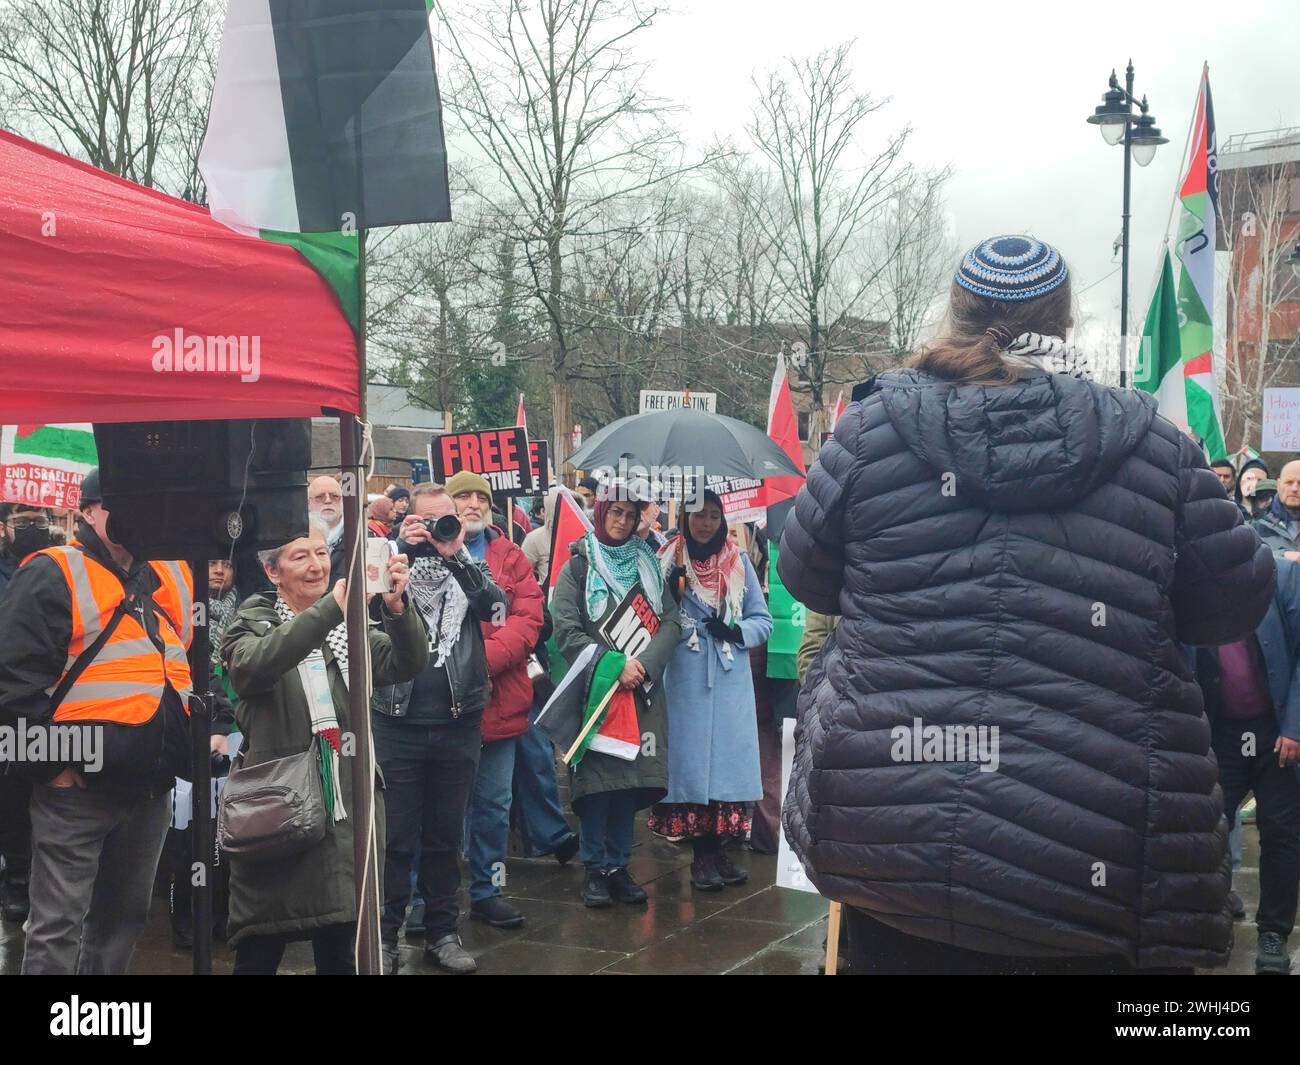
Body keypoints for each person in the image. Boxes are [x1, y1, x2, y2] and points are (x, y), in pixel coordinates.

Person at [779, 234, 1276, 975]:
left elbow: (806, 572)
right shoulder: (1153, 448)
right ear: (1065, 324)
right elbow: (1238, 599)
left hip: (891, 828)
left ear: (957, 317)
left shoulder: (871, 433)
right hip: (1093, 849)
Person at [0, 469, 196, 974]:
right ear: (87, 511)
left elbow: (179, 666)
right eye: (120, 502)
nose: (138, 514)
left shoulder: (171, 572)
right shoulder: (51, 570)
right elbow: (11, 687)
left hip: (150, 788)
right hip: (76, 791)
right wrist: (53, 771)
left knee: (123, 921)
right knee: (58, 928)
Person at [221, 515, 427, 974]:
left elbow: (406, 662)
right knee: (261, 941)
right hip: (279, 807)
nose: (316, 565)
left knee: (340, 940)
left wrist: (397, 609)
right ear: (273, 571)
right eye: (300, 556)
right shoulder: (253, 619)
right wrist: (330, 610)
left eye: (320, 553)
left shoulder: (345, 627)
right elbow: (253, 666)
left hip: (345, 808)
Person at [377, 483, 507, 974]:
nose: (437, 529)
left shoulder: (469, 562)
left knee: (445, 836)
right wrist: (400, 548)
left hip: (458, 720)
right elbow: (360, 614)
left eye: (445, 519)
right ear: (408, 517)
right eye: (427, 520)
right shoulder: (389, 557)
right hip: (396, 720)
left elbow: (497, 608)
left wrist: (455, 556)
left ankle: (442, 932)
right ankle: (386, 936)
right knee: (395, 837)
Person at [551, 481, 683, 907]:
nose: (623, 521)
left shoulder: (649, 565)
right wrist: (614, 666)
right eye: (616, 512)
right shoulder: (577, 567)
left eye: (631, 514)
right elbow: (566, 631)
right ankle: (594, 868)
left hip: (642, 692)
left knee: (628, 785)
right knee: (597, 785)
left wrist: (643, 666)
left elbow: (672, 623)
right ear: (600, 511)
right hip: (599, 693)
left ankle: (618, 865)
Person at [650, 490, 771, 889]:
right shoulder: (667, 556)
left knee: (725, 767)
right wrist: (670, 595)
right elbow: (649, 613)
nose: (706, 522)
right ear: (684, 517)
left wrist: (736, 631)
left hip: (727, 674)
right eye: (698, 514)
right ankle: (701, 854)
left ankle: (718, 849)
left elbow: (762, 619)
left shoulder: (738, 561)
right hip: (683, 675)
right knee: (690, 768)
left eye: (714, 516)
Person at [1194, 558, 1300, 975]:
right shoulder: (1191, 580)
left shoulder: (1282, 577)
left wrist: (1295, 726)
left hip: (1277, 733)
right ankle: (1209, 914)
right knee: (1203, 830)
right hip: (1218, 733)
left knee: (1281, 832)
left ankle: (1273, 932)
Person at [449, 473, 545, 931]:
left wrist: (475, 664)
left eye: (479, 497)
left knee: (493, 805)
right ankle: (434, 899)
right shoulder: (425, 548)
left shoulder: (511, 556)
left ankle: (487, 891)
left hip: (500, 701)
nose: (472, 504)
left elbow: (528, 621)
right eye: (462, 496)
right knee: (441, 807)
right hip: (442, 710)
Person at [164, 557, 239, 949]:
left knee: (215, 840)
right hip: (159, 755)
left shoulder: (188, 634)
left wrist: (219, 726)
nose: (218, 571)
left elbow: (207, 679)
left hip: (204, 755)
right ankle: (184, 920)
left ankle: (216, 916)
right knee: (183, 841)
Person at [0, 503, 56, 926]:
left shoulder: (61, 568)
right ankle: (18, 882)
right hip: (9, 701)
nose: (33, 527)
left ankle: (39, 881)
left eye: (39, 520)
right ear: (7, 528)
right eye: (24, 522)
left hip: (51, 698)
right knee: (14, 794)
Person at [1252, 460, 1300, 561]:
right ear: (1278, 485)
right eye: (1289, 482)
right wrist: (1283, 556)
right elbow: (1246, 562)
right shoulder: (1256, 527)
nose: (1295, 488)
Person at [308, 474, 346, 581]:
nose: (328, 501)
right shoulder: (296, 538)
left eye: (335, 496)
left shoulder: (361, 538)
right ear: (308, 503)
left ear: (342, 501)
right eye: (320, 497)